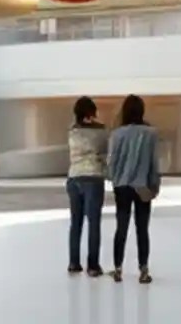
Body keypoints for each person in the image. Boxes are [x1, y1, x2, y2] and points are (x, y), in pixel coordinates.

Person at [107, 94, 161, 284]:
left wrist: (114, 180)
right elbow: (154, 163)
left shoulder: (116, 134)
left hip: (122, 185)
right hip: (143, 185)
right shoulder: (151, 133)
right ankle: (143, 270)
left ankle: (118, 269)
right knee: (142, 228)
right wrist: (155, 185)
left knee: (121, 227)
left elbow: (111, 162)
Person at [67, 96, 108, 277]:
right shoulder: (100, 131)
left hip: (74, 177)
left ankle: (74, 263)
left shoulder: (72, 131)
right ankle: (93, 265)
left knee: (76, 223)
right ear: (92, 112)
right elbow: (106, 149)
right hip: (93, 177)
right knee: (93, 223)